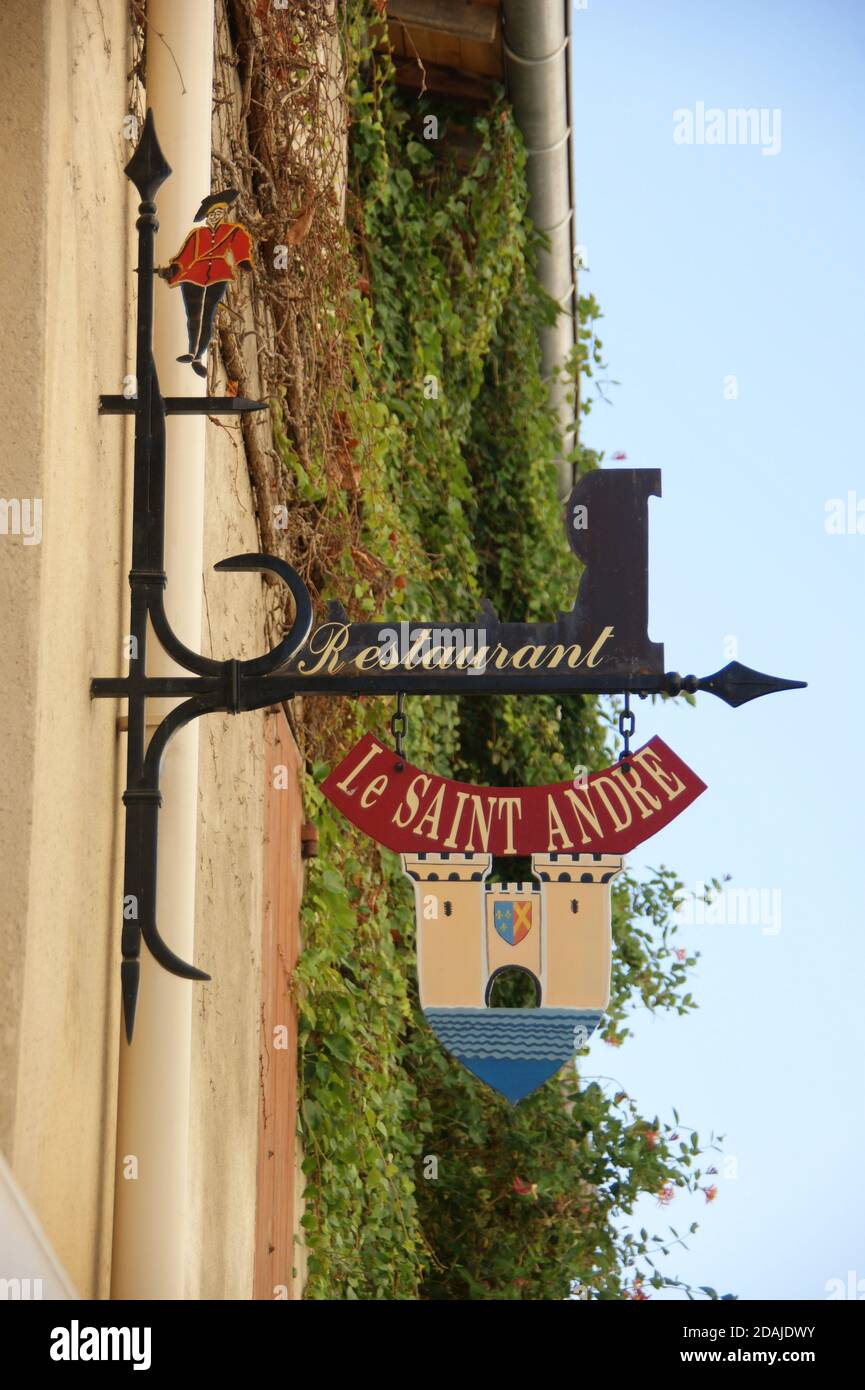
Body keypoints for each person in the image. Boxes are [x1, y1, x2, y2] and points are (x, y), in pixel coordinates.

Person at [157, 189, 253, 377]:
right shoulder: (198, 235)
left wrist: (243, 261)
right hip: (194, 276)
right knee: (193, 315)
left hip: (217, 275)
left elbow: (240, 245)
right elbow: (184, 257)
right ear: (207, 216)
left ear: (223, 214)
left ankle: (198, 356)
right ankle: (192, 350)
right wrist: (174, 269)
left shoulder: (231, 232)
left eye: (218, 213)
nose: (214, 217)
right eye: (211, 214)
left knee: (207, 314)